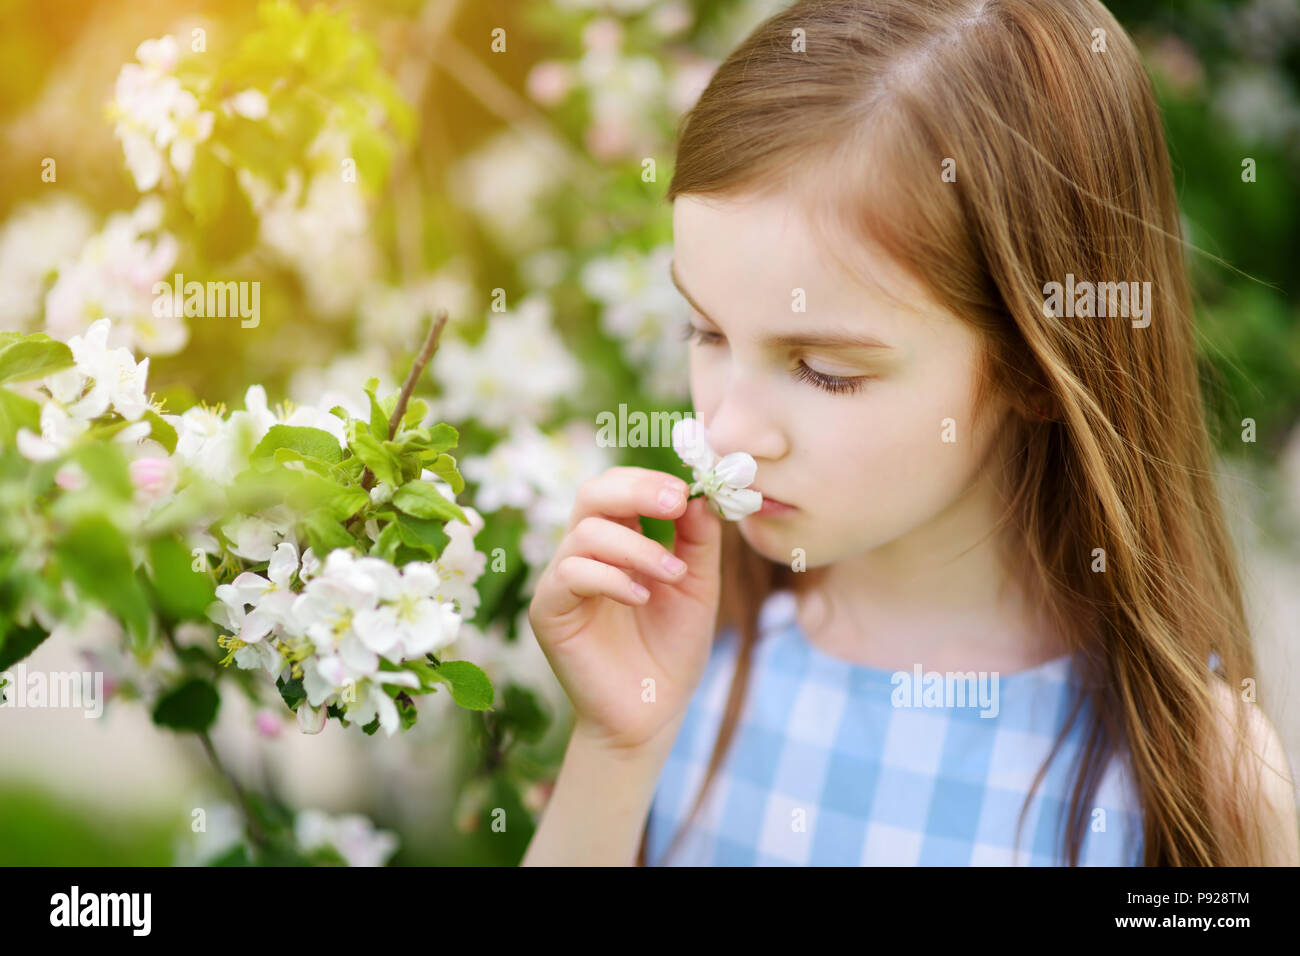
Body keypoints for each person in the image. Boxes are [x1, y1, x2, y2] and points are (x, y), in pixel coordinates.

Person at [521, 0, 1299, 866]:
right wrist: (615, 752)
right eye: (705, 332)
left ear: (1037, 367)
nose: (728, 431)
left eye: (826, 369)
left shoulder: (1198, 781)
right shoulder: (684, 661)